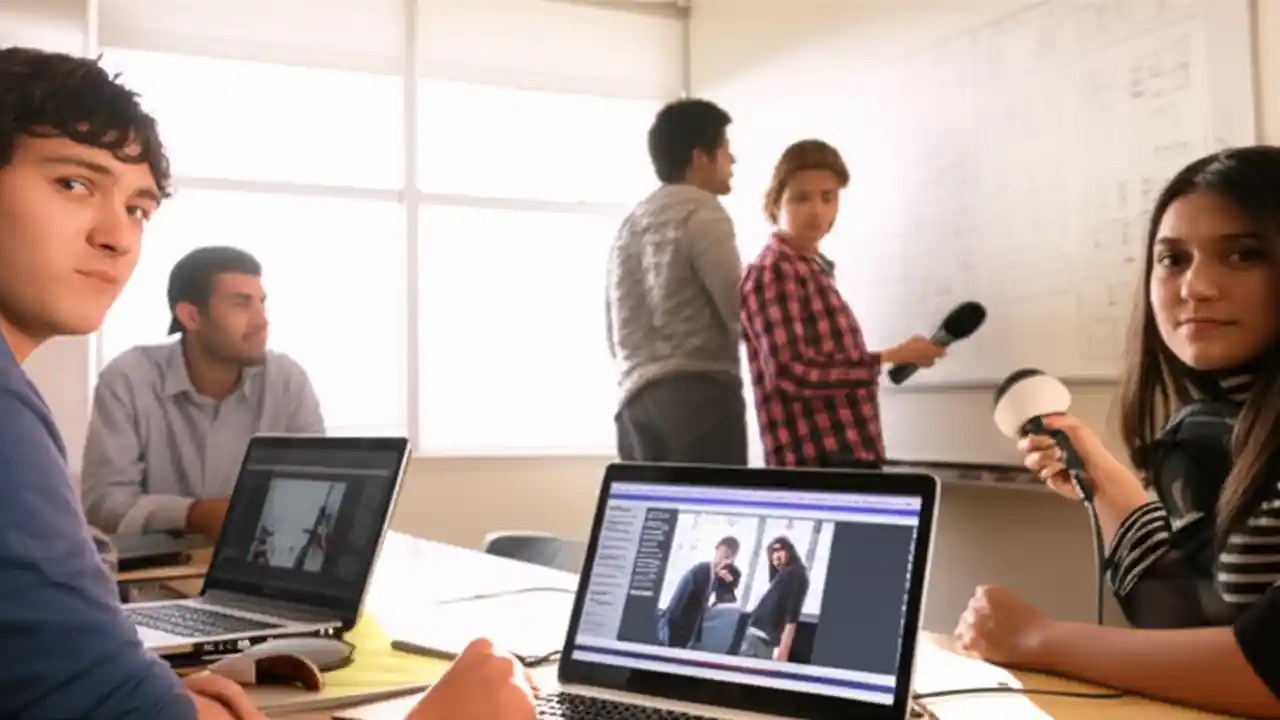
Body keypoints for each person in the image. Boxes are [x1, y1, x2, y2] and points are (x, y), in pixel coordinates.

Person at [0, 46, 535, 720]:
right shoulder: (49, 402)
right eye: (74, 184)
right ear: (190, 316)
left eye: (137, 209)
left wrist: (142, 686)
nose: (118, 236)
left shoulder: (284, 379)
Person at [954, 146, 1280, 719]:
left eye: (1243, 254)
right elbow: (1186, 625)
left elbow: (1266, 670)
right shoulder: (1209, 433)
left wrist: (1037, 638)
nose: (1194, 287)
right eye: (1173, 259)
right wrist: (1102, 477)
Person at [81, 245, 325, 539]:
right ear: (191, 317)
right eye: (241, 304)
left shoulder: (286, 380)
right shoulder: (129, 378)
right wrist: (194, 515)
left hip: (263, 557)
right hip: (159, 565)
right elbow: (104, 505)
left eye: (261, 303)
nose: (262, 321)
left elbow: (317, 489)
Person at [741, 140, 945, 468]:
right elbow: (792, 374)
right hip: (817, 463)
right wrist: (890, 356)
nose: (816, 211)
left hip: (849, 453)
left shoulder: (812, 268)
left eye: (828, 197)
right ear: (776, 201)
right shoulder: (774, 271)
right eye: (801, 198)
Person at [607, 98, 747, 465]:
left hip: (634, 399)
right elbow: (739, 306)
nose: (732, 161)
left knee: (649, 502)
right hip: (699, 396)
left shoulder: (630, 225)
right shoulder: (703, 211)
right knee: (713, 501)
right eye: (725, 150)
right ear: (700, 158)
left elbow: (612, 327)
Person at [658, 536, 742, 648]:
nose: (725, 561)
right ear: (717, 549)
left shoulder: (715, 575)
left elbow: (724, 600)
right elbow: (681, 607)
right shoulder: (702, 572)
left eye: (729, 558)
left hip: (684, 630)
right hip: (675, 629)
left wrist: (727, 584)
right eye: (724, 555)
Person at [739, 535, 809, 663]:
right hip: (760, 639)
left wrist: (783, 652)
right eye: (772, 553)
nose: (776, 557)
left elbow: (792, 616)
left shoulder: (794, 573)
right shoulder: (784, 578)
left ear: (789, 551)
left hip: (759, 639)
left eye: (780, 550)